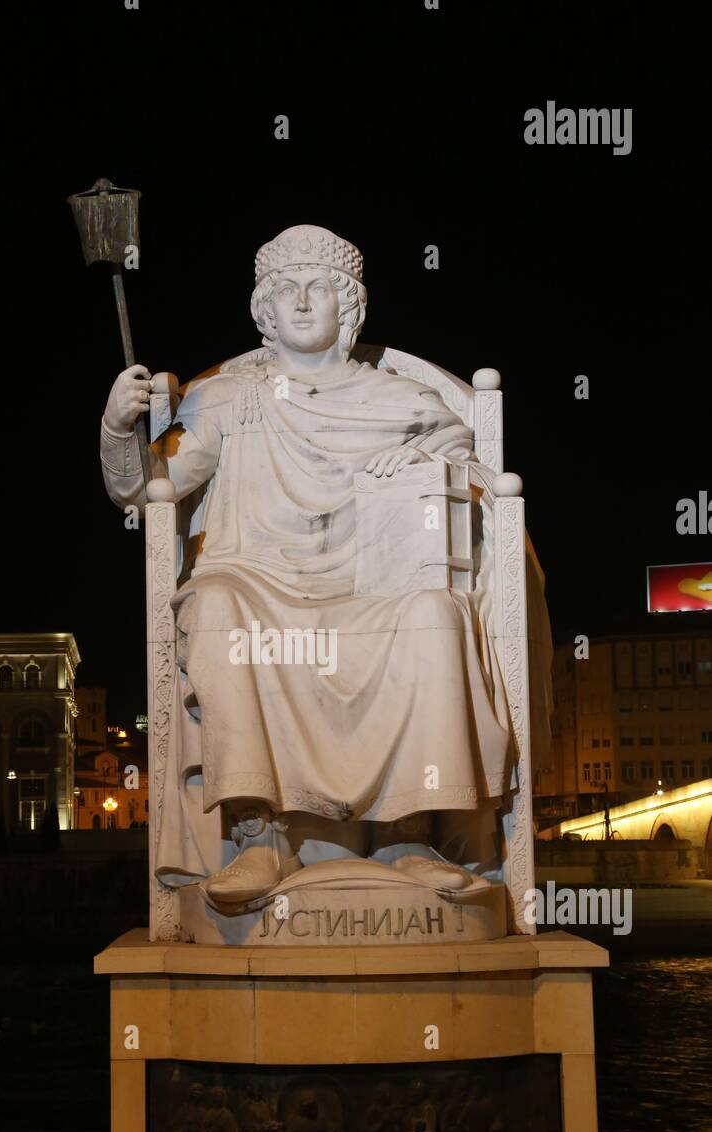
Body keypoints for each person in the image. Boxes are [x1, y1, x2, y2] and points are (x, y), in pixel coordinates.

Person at [101, 225, 552, 904]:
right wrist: (115, 428)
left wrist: (431, 460)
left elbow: (474, 471)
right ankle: (260, 839)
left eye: (320, 288)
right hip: (256, 579)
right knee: (215, 607)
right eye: (286, 290)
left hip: (377, 586)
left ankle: (409, 834)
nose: (303, 302)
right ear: (265, 312)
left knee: (434, 615)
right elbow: (142, 490)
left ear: (349, 307)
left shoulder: (400, 399)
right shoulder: (226, 397)